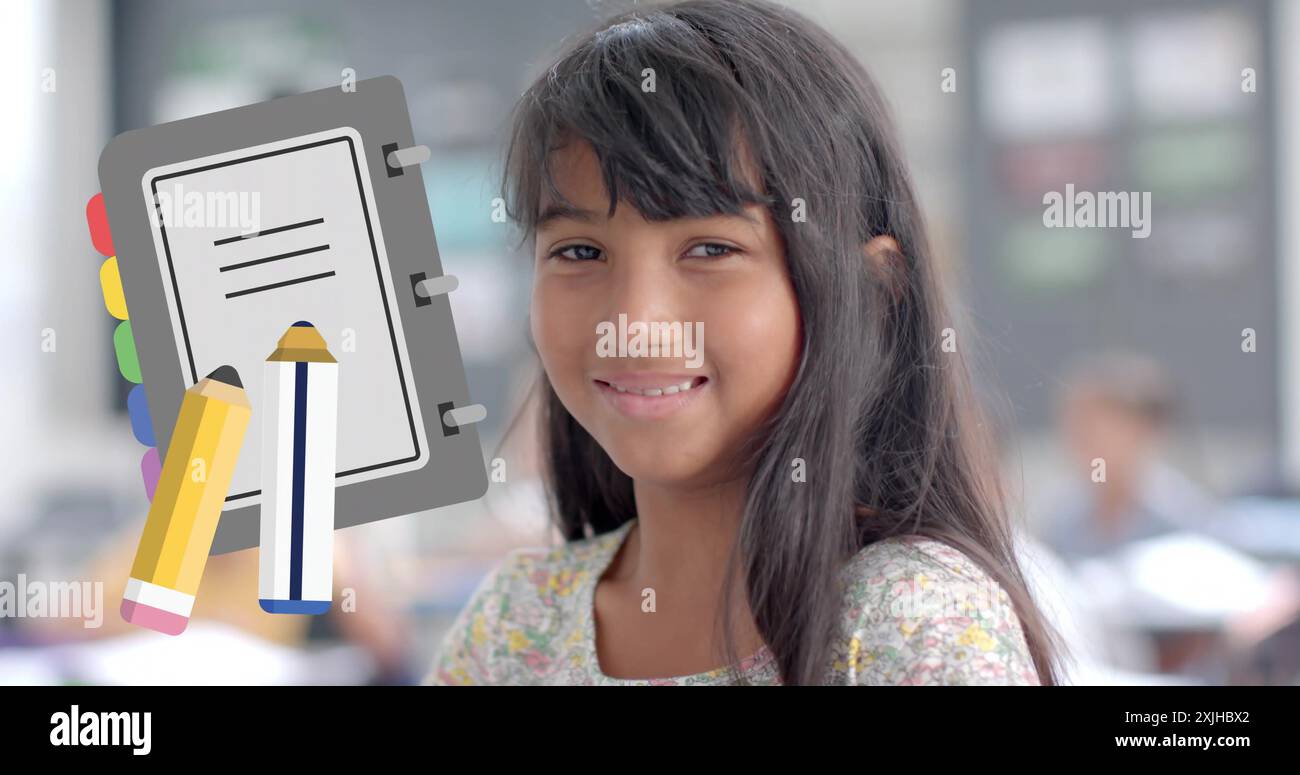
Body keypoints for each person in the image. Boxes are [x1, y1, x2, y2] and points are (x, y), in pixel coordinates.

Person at [426, 0, 1061, 685]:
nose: (634, 323)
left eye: (710, 247)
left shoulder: (910, 618)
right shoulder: (515, 625)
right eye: (580, 250)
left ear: (871, 293)